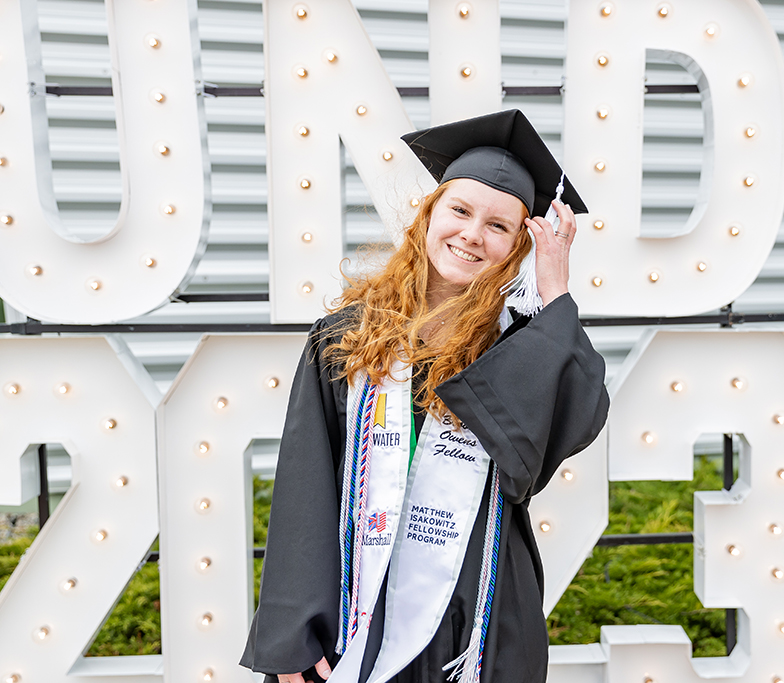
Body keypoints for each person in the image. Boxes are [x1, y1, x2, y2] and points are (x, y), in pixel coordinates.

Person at [241, 110, 609, 683]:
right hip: (354, 602)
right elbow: (306, 483)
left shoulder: (519, 343)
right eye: (460, 210)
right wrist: (295, 633)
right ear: (428, 214)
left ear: (517, 245)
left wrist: (556, 293)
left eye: (498, 226)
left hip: (478, 612)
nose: (471, 235)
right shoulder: (349, 335)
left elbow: (574, 421)